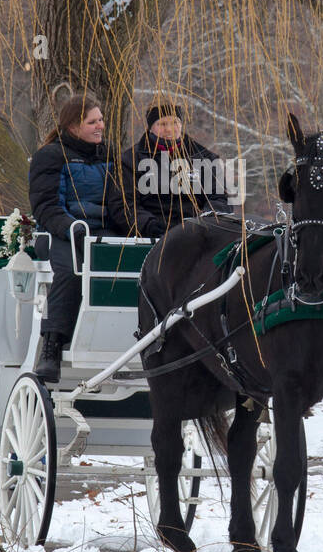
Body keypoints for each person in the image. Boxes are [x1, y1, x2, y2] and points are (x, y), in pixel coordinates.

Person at [28, 94, 128, 382]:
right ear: (73, 126)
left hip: (104, 231)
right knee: (73, 272)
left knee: (131, 265)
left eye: (101, 120)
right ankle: (52, 346)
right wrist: (73, 227)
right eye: (92, 121)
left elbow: (121, 202)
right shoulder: (50, 156)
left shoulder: (110, 154)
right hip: (64, 232)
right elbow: (46, 205)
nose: (100, 126)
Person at [119, 99, 233, 239]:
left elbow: (220, 199)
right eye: (162, 124)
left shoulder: (204, 158)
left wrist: (204, 221)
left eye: (174, 122)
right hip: (151, 236)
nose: (169, 129)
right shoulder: (130, 160)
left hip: (197, 235)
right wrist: (150, 227)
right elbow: (124, 205)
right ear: (150, 127)